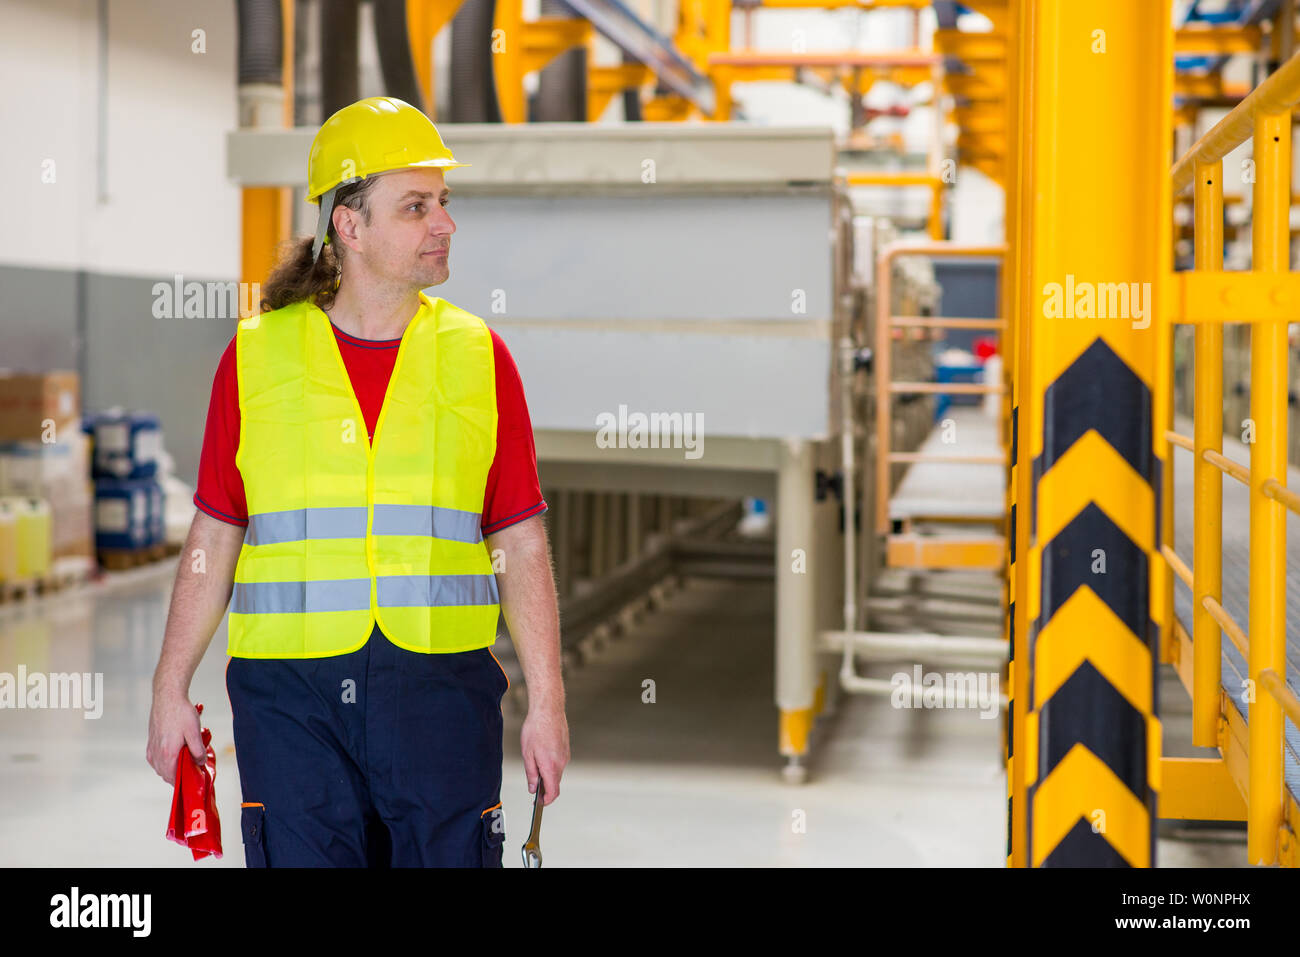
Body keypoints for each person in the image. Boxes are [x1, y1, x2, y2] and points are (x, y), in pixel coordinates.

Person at [145, 96, 568, 867]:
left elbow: (519, 537)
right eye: (416, 206)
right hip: (291, 702)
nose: (443, 223)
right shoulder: (255, 359)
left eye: (443, 202)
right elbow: (214, 534)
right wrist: (169, 686)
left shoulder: (481, 358)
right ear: (350, 224)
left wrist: (549, 701)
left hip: (439, 695)